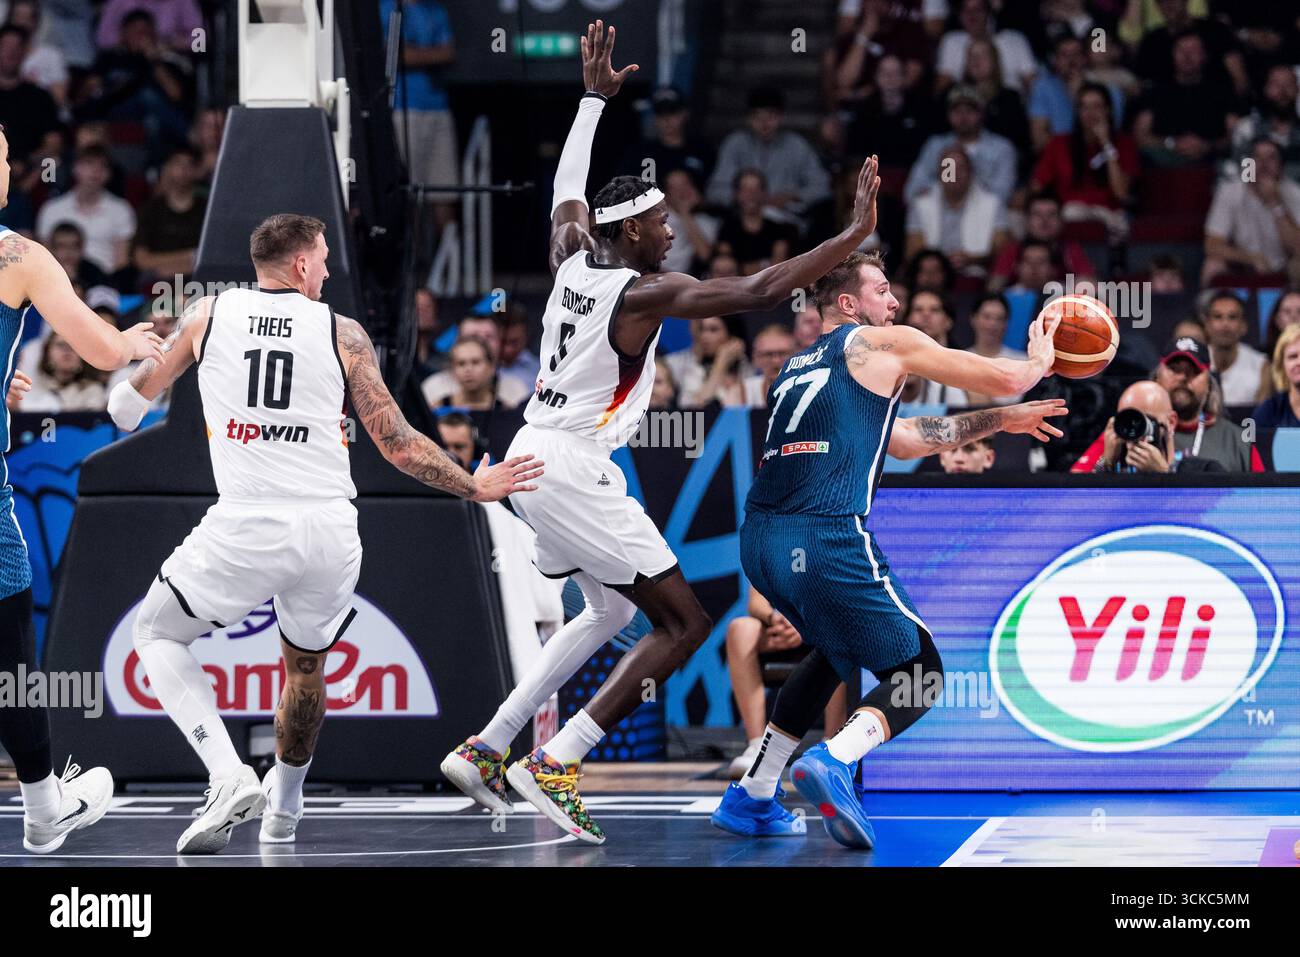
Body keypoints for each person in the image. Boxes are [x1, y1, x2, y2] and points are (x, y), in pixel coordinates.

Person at [439, 21, 897, 846]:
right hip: (573, 465)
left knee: (610, 611)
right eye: (657, 221)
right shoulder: (642, 292)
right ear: (630, 234)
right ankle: (560, 758)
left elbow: (567, 188)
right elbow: (759, 288)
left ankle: (490, 741)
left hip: (529, 453)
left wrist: (589, 101)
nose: (670, 229)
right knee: (683, 622)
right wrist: (849, 238)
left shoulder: (571, 254)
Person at [105, 213, 541, 853]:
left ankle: (227, 775)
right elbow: (395, 444)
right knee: (305, 667)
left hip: (248, 522)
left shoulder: (206, 317)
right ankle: (284, 805)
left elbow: (124, 411)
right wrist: (475, 486)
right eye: (327, 258)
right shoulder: (344, 332)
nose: (331, 270)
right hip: (332, 530)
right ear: (303, 265)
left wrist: (133, 357)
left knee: (154, 631)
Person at [710, 248, 1066, 846]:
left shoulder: (794, 368)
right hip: (826, 534)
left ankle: (752, 796)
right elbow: (1007, 376)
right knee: (922, 673)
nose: (895, 303)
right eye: (883, 290)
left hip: (762, 542)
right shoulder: (878, 344)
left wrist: (1001, 421)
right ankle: (838, 758)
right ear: (849, 304)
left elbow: (903, 439)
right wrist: (1038, 359)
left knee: (832, 649)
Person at [0, 125, 165, 854]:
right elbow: (98, 350)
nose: (8, 169)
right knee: (8, 654)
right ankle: (42, 806)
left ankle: (44, 804)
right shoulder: (20, 256)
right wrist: (132, 341)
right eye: (2, 157)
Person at [1070, 337, 1264, 472]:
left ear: (1209, 383)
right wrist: (1105, 463)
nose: (1182, 377)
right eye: (1174, 369)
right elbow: (1072, 496)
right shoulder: (1125, 428)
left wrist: (1163, 476)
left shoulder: (1237, 440)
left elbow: (1259, 503)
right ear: (1156, 377)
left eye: (1193, 371)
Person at [724, 586, 846, 779]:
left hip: (820, 629)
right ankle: (757, 747)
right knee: (741, 629)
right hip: (781, 631)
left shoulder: (830, 555)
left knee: (839, 627)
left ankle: (831, 749)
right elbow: (756, 602)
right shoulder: (765, 555)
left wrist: (804, 623)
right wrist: (775, 619)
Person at [1202, 138, 1300, 286]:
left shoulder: (1293, 192)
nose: (1264, 164)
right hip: (1244, 264)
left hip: (1285, 265)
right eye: (1257, 157)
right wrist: (1251, 258)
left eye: (1271, 158)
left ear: (1281, 166)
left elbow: (1297, 247)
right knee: (1213, 264)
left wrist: (1275, 203)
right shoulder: (1230, 191)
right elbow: (1212, 245)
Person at [903, 144, 1009, 278]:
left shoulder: (993, 203)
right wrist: (942, 262)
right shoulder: (921, 204)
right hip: (933, 276)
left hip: (977, 275)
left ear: (971, 172)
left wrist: (972, 259)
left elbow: (1001, 251)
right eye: (948, 168)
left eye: (960, 168)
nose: (954, 174)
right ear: (939, 173)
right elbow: (912, 252)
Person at [904, 85, 1017, 204]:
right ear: (948, 115)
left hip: (984, 215)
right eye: (957, 111)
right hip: (940, 213)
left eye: (969, 111)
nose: (963, 117)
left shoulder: (1002, 148)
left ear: (981, 114)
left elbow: (1002, 194)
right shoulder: (935, 146)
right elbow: (912, 191)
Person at [34, 144, 135, 275]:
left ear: (109, 174)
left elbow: (122, 261)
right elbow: (44, 259)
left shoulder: (121, 209)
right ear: (75, 168)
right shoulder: (51, 209)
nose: (95, 170)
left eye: (103, 166)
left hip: (104, 283)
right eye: (89, 164)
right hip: (60, 281)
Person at [1087, 380, 1226, 474]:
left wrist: (1163, 475)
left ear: (1171, 422)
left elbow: (1211, 515)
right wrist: (1106, 464)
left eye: (1145, 420)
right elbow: (1085, 513)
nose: (1135, 431)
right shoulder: (1114, 476)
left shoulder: (1206, 470)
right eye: (1127, 420)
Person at [988, 193, 1096, 292]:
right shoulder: (1012, 250)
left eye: (1051, 214)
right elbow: (994, 288)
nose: (1044, 220)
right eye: (1037, 214)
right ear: (1027, 220)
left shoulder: (1070, 250)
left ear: (1061, 221)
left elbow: (1090, 288)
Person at [1203, 289, 1267, 406]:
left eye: (1232, 317)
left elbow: (1262, 420)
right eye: (1218, 317)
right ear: (1207, 325)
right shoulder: (1195, 362)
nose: (1225, 324)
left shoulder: (1261, 365)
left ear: (1244, 326)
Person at [964, 292, 1026, 405]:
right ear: (973, 319)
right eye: (986, 317)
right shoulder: (960, 360)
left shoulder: (1022, 362)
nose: (992, 324)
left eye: (999, 318)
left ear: (1006, 324)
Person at [21, 330, 107, 410]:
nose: (67, 350)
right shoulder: (34, 387)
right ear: (47, 354)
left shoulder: (93, 391)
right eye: (60, 345)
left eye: (73, 346)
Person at [1250, 324, 1300, 429]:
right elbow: (1250, 444)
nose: (1298, 362)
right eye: (1292, 357)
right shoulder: (1268, 411)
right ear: (1281, 365)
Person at [745, 323, 796, 407]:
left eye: (783, 353)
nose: (775, 360)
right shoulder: (744, 391)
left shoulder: (813, 390)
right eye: (768, 354)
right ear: (756, 358)